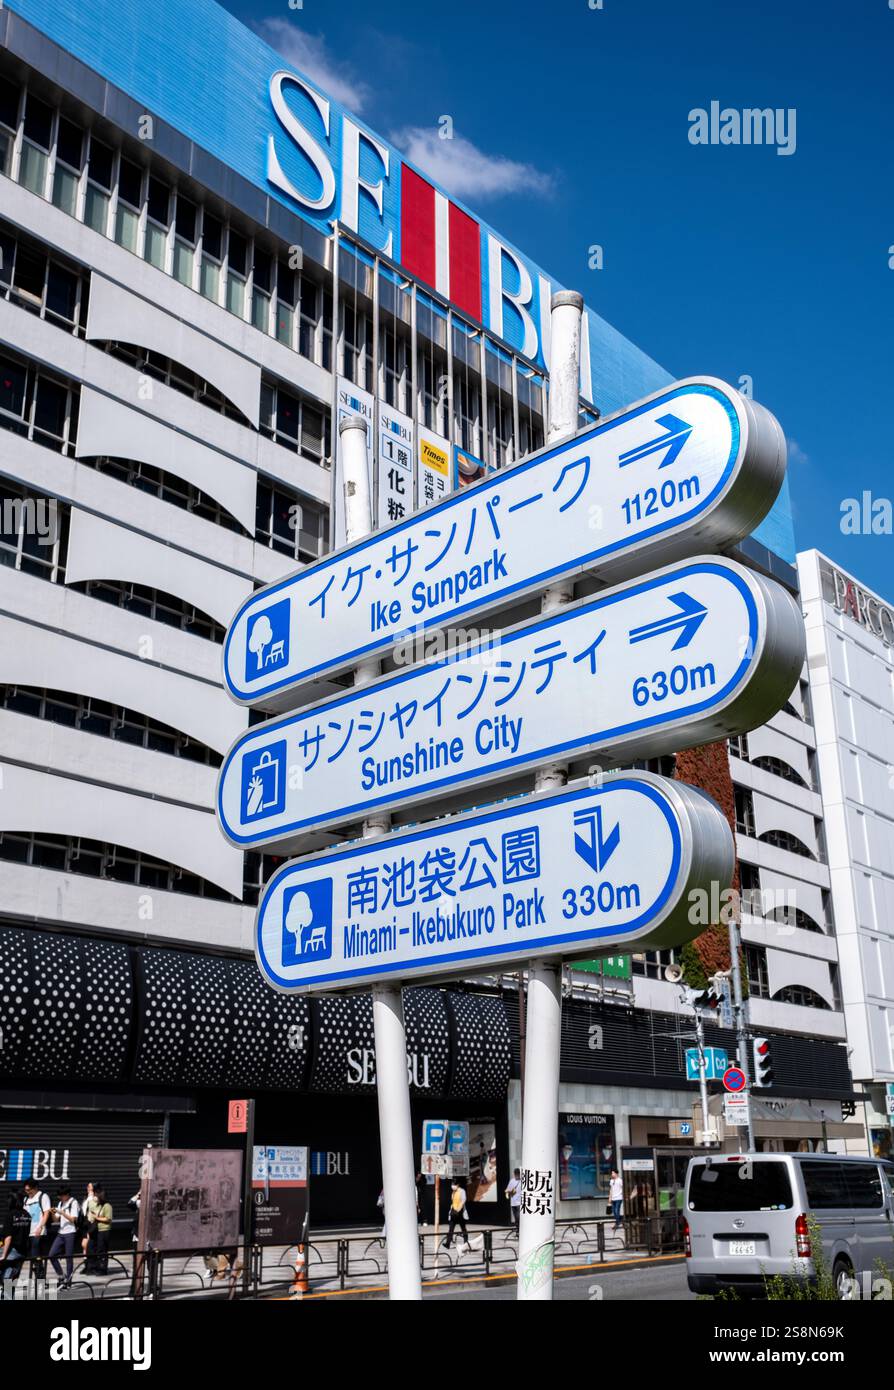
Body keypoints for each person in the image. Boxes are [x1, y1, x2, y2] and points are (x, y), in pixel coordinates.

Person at [47, 1186, 80, 1288]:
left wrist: (61, 1212)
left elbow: (73, 1219)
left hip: (71, 1232)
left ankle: (68, 1282)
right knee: (51, 1255)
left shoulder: (73, 1202)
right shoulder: (61, 1203)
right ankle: (61, 1276)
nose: (59, 1198)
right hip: (61, 1232)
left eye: (61, 1195)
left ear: (66, 1194)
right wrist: (52, 1213)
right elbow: (57, 1220)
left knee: (68, 1257)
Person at [0, 1191, 30, 1297]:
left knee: (7, 1279)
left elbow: (8, 1237)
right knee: (10, 1279)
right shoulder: (27, 1214)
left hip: (11, 1251)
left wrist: (4, 1254)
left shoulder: (10, 1215)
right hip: (23, 1251)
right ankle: (7, 1296)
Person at [23, 1179, 51, 1269]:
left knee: (37, 1258)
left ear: (35, 1188)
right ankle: (38, 1280)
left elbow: (46, 1212)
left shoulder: (43, 1196)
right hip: (28, 1232)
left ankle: (40, 1281)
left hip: (39, 1232)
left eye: (29, 1190)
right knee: (33, 1260)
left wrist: (40, 1227)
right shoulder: (26, 1199)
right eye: (26, 1190)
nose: (27, 1192)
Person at [92, 1186, 113, 1276]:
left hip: (105, 1230)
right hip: (99, 1230)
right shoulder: (100, 1205)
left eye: (96, 1195)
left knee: (103, 1250)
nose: (95, 1197)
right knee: (99, 1250)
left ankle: (103, 1269)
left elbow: (108, 1219)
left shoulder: (107, 1206)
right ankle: (99, 1267)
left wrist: (97, 1217)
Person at [444, 1180, 469, 1249]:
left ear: (458, 1185)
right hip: (453, 1211)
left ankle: (466, 1243)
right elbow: (453, 1201)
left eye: (454, 1184)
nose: (452, 1186)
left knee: (463, 1228)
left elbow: (463, 1200)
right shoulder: (453, 1192)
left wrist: (458, 1210)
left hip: (459, 1213)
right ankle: (447, 1243)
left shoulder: (462, 1191)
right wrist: (453, 1210)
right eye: (452, 1184)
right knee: (451, 1228)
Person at [505, 1168, 522, 1232]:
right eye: (515, 1174)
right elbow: (507, 1190)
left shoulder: (522, 1181)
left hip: (519, 1202)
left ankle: (520, 1230)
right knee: (516, 1218)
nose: (516, 1175)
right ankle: (518, 1230)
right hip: (513, 1202)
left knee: (518, 1217)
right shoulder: (512, 1181)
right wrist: (508, 1193)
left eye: (517, 1174)